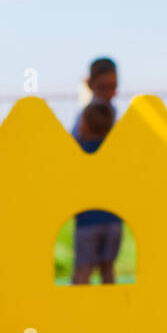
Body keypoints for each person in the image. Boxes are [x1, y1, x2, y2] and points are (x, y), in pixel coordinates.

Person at [72, 58, 123, 285]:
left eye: (112, 86)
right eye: (103, 87)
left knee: (107, 270)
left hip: (111, 213)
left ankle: (109, 317)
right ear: (90, 84)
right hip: (89, 214)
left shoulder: (118, 118)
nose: (109, 93)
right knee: (83, 270)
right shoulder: (84, 119)